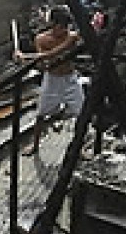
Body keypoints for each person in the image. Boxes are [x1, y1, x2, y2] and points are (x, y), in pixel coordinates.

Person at [14, 8, 83, 155]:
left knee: (81, 113)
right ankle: (35, 146)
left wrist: (26, 56)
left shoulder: (71, 37)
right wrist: (23, 60)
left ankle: (80, 148)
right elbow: (42, 63)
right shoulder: (41, 39)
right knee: (41, 114)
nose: (64, 30)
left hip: (70, 78)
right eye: (61, 26)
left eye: (66, 26)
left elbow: (51, 54)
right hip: (52, 79)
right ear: (53, 24)